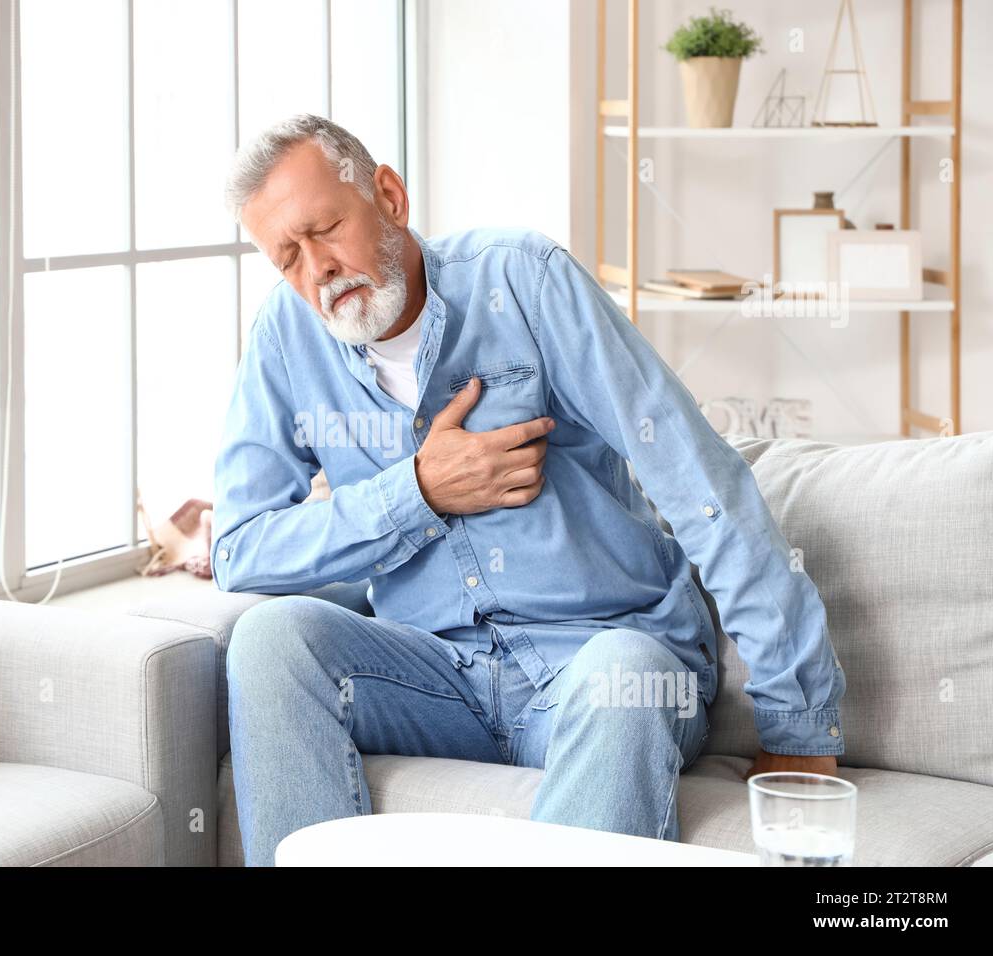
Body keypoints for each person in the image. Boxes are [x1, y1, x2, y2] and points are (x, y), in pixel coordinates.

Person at [213, 113, 846, 867]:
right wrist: (416, 491)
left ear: (388, 194)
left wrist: (799, 724)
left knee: (625, 673)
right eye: (287, 256)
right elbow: (239, 549)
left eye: (326, 228)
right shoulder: (286, 338)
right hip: (436, 677)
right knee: (271, 641)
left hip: (598, 663)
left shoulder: (523, 280)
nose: (316, 268)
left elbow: (699, 482)